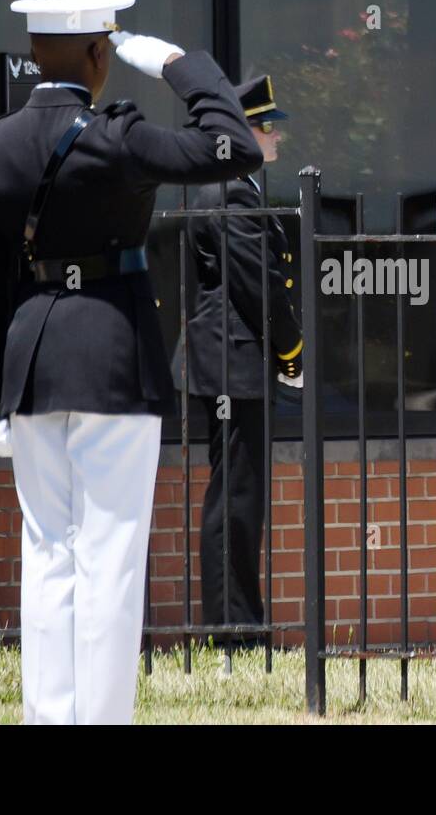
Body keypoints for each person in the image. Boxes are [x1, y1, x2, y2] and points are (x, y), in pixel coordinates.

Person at [0, 0, 262, 723]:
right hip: (113, 357)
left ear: (35, 54)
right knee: (109, 557)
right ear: (101, 55)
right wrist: (182, 68)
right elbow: (236, 145)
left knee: (47, 555)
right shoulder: (118, 138)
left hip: (29, 365)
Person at [178, 75, 302, 647]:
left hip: (233, 360)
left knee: (238, 497)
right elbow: (259, 285)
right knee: (235, 500)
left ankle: (239, 623)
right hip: (234, 361)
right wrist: (291, 349)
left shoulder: (233, 187)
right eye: (265, 125)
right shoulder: (230, 191)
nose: (275, 136)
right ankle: (233, 630)